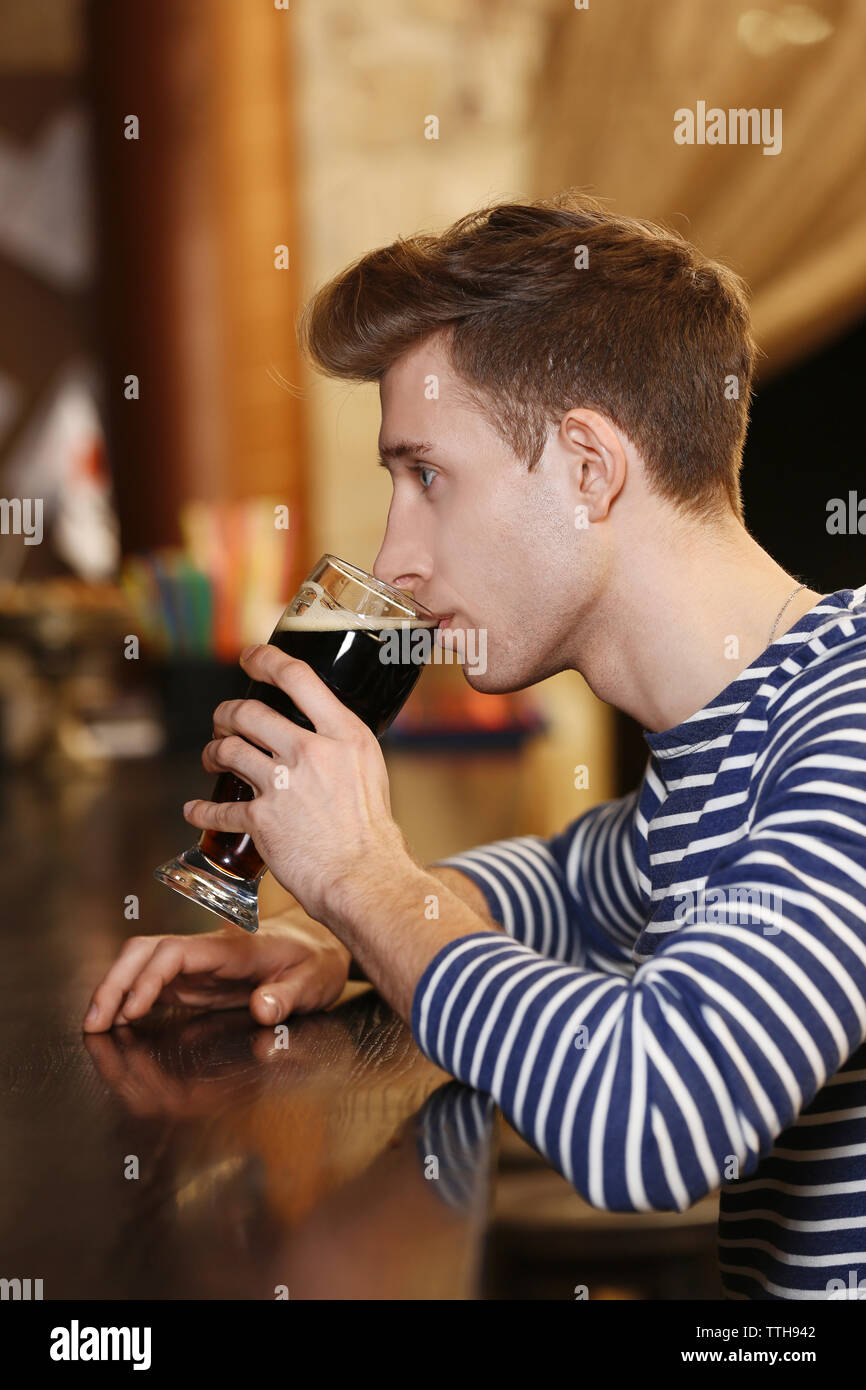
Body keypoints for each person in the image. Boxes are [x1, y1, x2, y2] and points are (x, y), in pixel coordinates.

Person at [84, 191, 866, 1302]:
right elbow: (570, 885)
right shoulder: (734, 734)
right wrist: (335, 937)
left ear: (587, 468)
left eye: (426, 475)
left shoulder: (850, 721)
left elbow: (654, 1118)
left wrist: (365, 880)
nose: (395, 558)